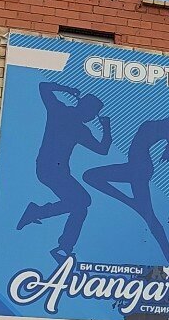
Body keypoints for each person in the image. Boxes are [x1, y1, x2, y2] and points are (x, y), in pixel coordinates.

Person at [84, 114, 169, 275]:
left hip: (138, 168)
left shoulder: (159, 128)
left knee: (91, 176)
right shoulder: (159, 127)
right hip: (136, 167)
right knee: (91, 176)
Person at [17, 82, 111, 263]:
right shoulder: (62, 114)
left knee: (80, 206)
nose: (91, 117)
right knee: (83, 202)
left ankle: (62, 246)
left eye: (93, 115)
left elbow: (102, 150)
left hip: (53, 170)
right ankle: (41, 218)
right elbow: (43, 86)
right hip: (50, 169)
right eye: (91, 113)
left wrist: (68, 89)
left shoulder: (66, 117)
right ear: (84, 107)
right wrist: (106, 128)